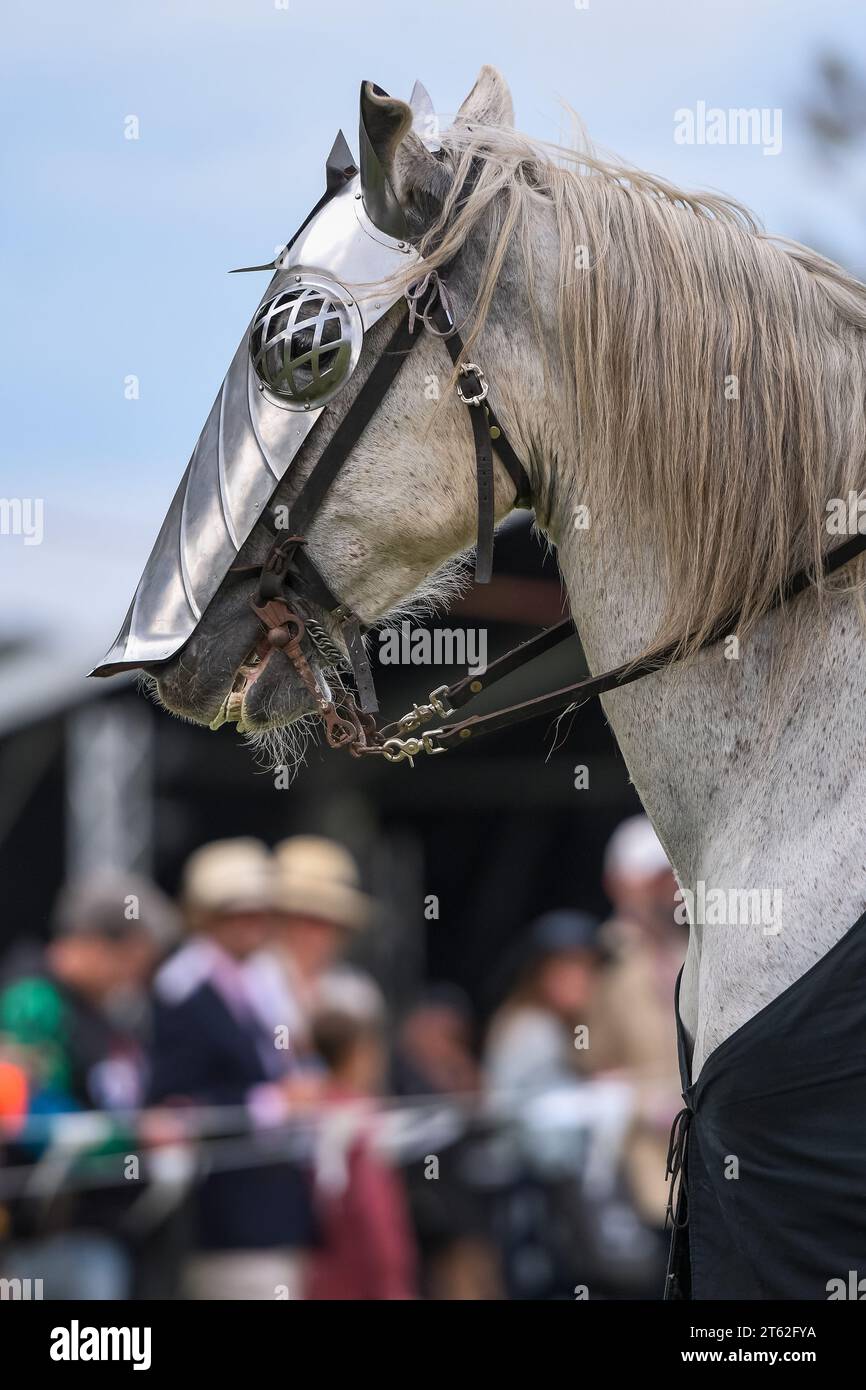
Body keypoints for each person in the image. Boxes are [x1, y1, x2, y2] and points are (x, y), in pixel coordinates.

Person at [148, 838, 318, 1300]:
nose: (253, 925)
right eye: (237, 913)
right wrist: (270, 1105)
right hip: (224, 1219)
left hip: (277, 1207)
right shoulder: (182, 990)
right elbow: (170, 1109)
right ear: (206, 915)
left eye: (261, 912)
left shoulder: (260, 984)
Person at [0, 870, 177, 1299]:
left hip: (97, 1234)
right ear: (100, 945)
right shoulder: (35, 1001)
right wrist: (133, 1138)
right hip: (41, 1240)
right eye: (135, 962)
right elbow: (23, 1112)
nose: (135, 980)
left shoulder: (105, 1014)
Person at [583, 815, 687, 1241]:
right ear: (617, 883)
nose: (664, 890)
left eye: (666, 877)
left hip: (702, 1165)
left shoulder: (692, 949)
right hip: (640, 1173)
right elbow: (589, 1065)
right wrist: (642, 1103)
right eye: (649, 879)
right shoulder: (601, 959)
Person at [305, 1009, 417, 1301]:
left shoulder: (316, 1108)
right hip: (360, 1266)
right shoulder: (360, 1120)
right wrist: (391, 1276)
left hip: (327, 1265)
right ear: (359, 1053)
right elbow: (372, 1205)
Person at [248, 836, 383, 1063]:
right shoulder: (249, 981)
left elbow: (367, 1073)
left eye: (329, 922)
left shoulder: (357, 992)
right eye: (305, 919)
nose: (316, 934)